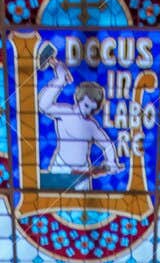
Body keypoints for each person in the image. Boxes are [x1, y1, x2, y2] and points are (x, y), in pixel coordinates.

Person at [38, 58, 121, 191]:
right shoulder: (65, 113)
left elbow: (107, 144)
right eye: (86, 105)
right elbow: (43, 105)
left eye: (92, 109)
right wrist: (59, 81)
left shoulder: (91, 125)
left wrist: (111, 162)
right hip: (61, 169)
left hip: (82, 174)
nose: (87, 111)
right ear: (79, 98)